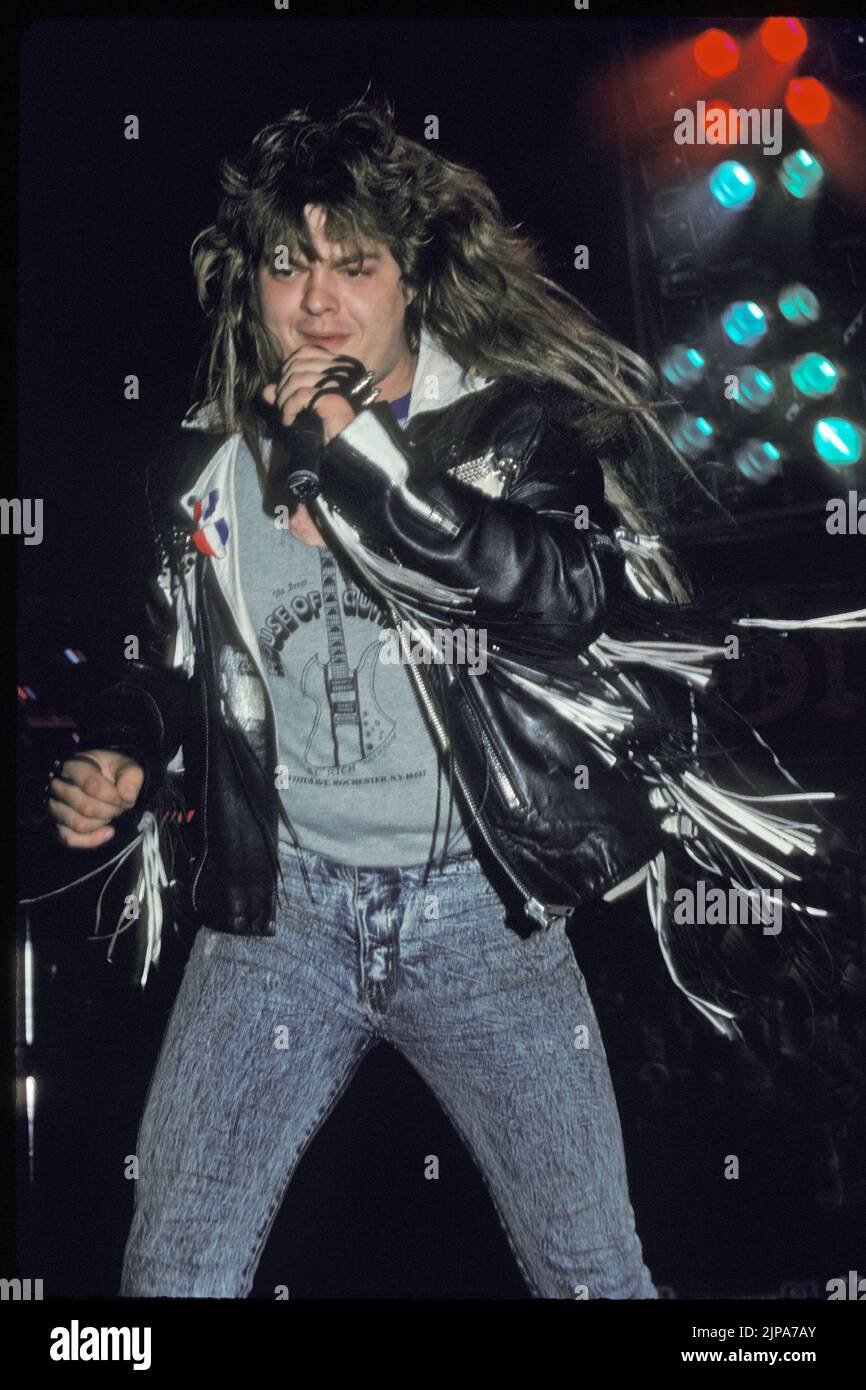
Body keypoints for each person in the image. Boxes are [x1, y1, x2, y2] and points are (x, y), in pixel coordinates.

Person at [44, 96, 844, 1299]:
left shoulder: (516, 428)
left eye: (353, 266)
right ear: (250, 286)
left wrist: (366, 453)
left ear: (408, 279)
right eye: (286, 267)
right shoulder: (207, 468)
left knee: (594, 1278)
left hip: (484, 921)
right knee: (168, 1279)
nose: (316, 303)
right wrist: (122, 745)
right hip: (282, 927)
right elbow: (179, 672)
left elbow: (564, 589)